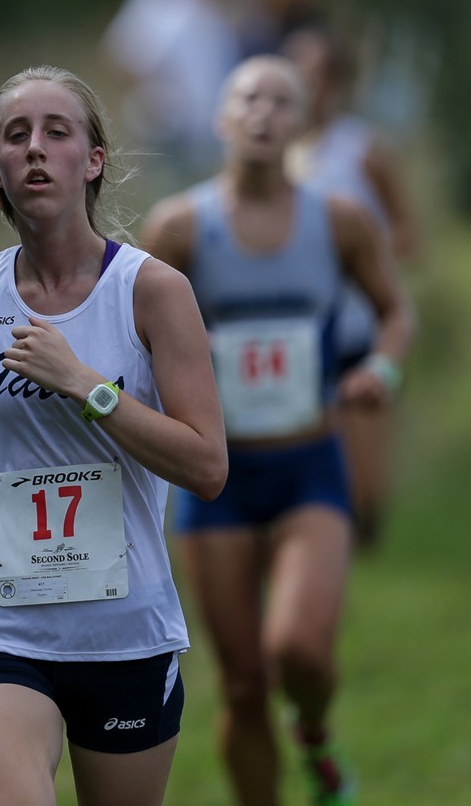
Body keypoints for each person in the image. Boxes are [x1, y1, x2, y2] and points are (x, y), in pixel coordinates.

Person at [0, 65, 229, 806]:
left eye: (57, 132)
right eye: (16, 137)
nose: (35, 149)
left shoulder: (152, 292)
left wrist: (86, 386)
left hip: (126, 634)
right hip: (0, 626)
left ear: (94, 159)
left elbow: (207, 466)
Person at [141, 56, 413, 806]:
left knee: (296, 650)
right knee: (242, 682)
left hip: (310, 468)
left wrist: (380, 374)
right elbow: (129, 330)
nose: (263, 112)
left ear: (302, 123)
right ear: (223, 120)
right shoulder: (181, 225)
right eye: (247, 98)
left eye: (281, 101)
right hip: (217, 479)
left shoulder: (338, 219)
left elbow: (395, 312)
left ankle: (318, 734)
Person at [282, 24, 418, 551]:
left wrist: (360, 252)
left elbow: (409, 235)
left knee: (366, 487)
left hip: (356, 330)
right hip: (289, 337)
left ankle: (363, 539)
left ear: (335, 84)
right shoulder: (270, 157)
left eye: (312, 77)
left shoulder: (363, 151)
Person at [104, 0, 241, 200]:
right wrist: (159, 94)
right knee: (170, 197)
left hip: (207, 126)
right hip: (170, 124)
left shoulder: (209, 4)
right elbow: (125, 54)